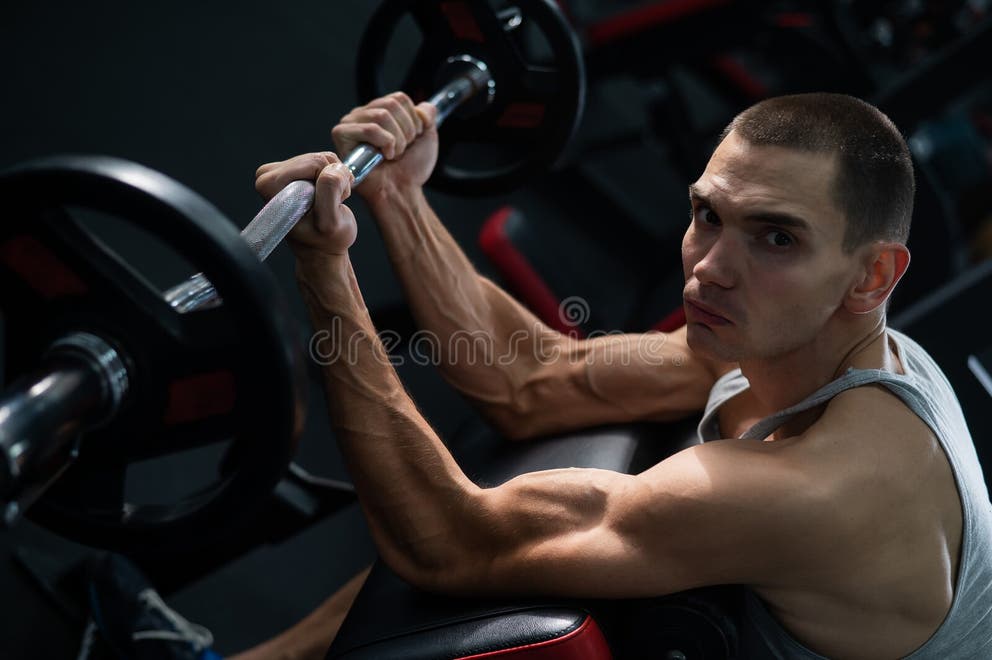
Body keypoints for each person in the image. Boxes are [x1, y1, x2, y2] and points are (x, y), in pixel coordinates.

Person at [83, 93, 992, 659]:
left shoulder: (829, 487)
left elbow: (446, 542)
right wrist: (400, 197)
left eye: (776, 237)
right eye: (706, 216)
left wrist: (327, 272)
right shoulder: (800, 342)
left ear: (872, 276)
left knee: (493, 566)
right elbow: (533, 378)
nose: (711, 267)